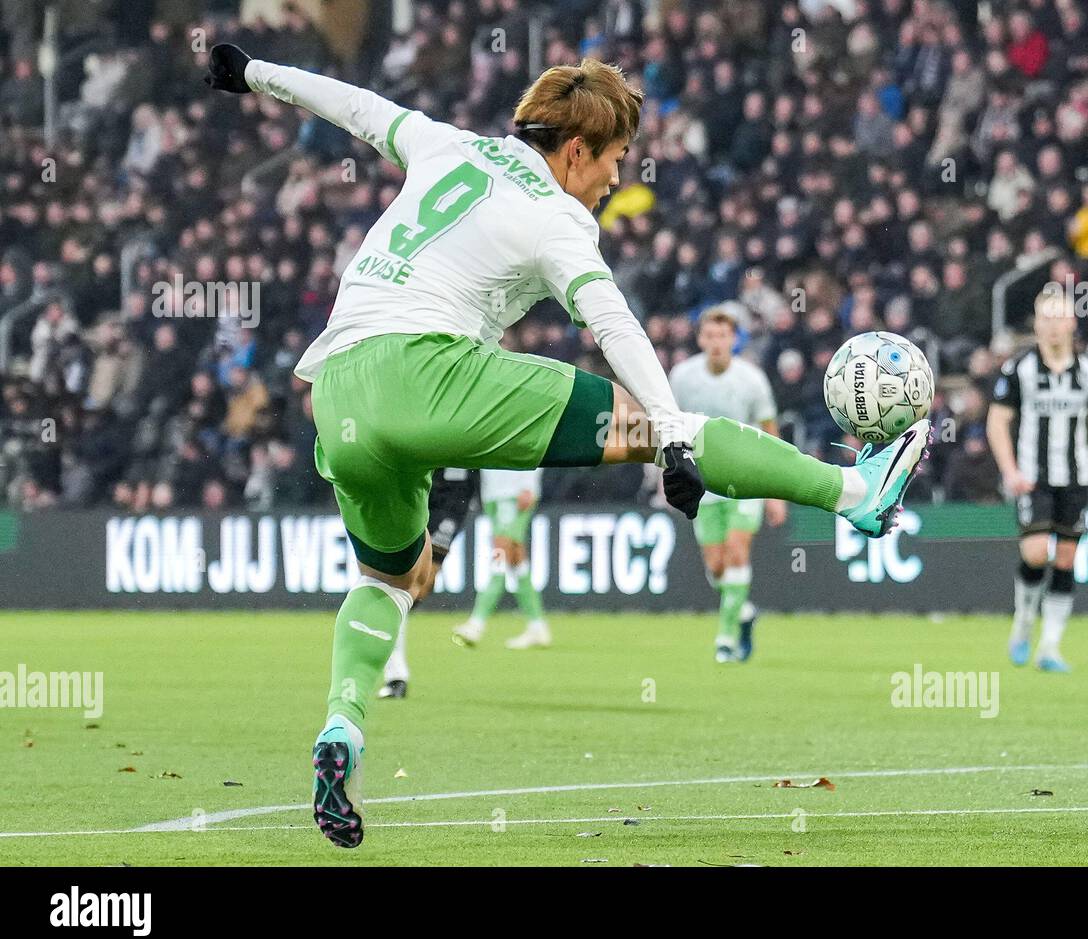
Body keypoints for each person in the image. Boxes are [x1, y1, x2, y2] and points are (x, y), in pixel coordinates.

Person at [205, 45, 930, 848]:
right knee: (659, 422)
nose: (617, 180)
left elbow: (354, 104)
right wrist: (674, 439)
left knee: (391, 577)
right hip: (430, 372)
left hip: (337, 393)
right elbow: (613, 324)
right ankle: (859, 494)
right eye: (616, 159)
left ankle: (342, 727)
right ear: (576, 149)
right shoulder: (557, 216)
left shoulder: (445, 142)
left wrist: (253, 73)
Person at [986, 287, 1088, 673]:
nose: (1051, 326)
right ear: (1036, 323)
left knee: (1066, 558)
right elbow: (997, 422)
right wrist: (1010, 470)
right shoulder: (1019, 369)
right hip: (1033, 476)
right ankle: (1024, 623)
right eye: (1044, 318)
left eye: (1058, 317)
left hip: (1076, 476)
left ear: (1072, 322)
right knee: (1035, 552)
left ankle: (1050, 647)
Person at [669, 308, 786, 662]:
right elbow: (668, 428)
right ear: (701, 338)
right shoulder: (682, 377)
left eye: (724, 336)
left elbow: (770, 432)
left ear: (734, 340)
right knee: (717, 566)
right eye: (711, 335)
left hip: (746, 479)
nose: (717, 342)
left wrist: (777, 492)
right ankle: (745, 614)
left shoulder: (752, 380)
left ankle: (725, 638)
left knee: (737, 552)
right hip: (704, 483)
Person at [377, 468, 480, 699]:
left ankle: (385, 621)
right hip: (416, 492)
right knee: (405, 582)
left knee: (422, 583)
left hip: (453, 501)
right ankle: (396, 676)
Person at [451, 467, 550, 650]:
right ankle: (537, 626)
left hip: (512, 494)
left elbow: (532, 443)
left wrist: (528, 485)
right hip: (494, 495)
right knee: (516, 560)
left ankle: (476, 624)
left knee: (500, 556)